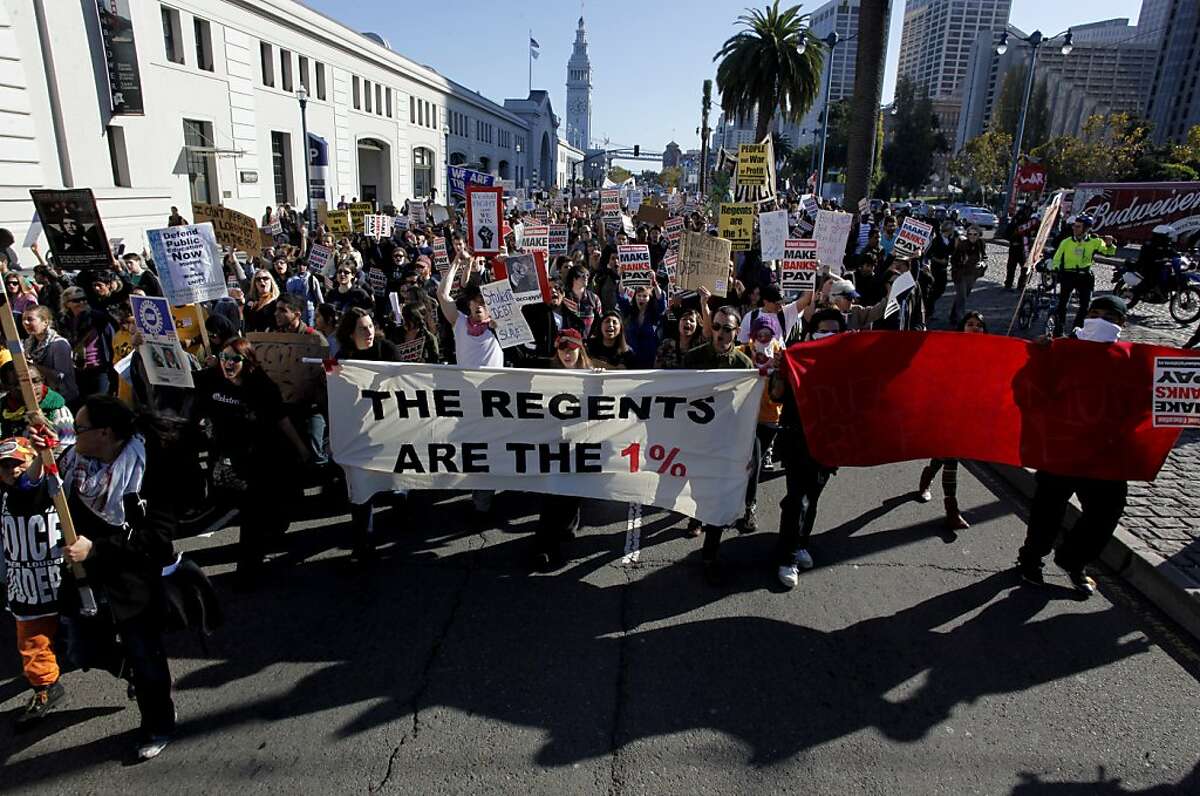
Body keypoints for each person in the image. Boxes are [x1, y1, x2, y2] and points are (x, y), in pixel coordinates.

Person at [60, 395, 178, 760]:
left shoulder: (147, 468)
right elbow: (37, 485)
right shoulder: (73, 462)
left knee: (145, 656)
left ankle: (158, 722)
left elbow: (157, 536)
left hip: (132, 585)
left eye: (79, 428)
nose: (73, 435)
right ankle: (130, 671)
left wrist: (95, 549)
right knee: (81, 649)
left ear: (105, 433)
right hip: (85, 581)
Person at [1016, 295, 1131, 597]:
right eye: (1095, 314)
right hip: (1061, 448)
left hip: (1105, 454)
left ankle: (1073, 559)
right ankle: (1031, 558)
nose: (1101, 321)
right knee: (1048, 509)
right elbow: (1026, 389)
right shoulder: (1059, 350)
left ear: (1122, 324)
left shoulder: (1130, 359)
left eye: (1110, 318)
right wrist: (1037, 357)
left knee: (1106, 511)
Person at [192, 338, 311, 583]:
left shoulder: (262, 387)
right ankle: (270, 532)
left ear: (246, 361)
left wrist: (301, 447)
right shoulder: (212, 381)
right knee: (244, 510)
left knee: (251, 515)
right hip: (224, 459)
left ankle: (247, 571)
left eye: (234, 359)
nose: (228, 363)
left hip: (257, 458)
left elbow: (281, 418)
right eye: (224, 358)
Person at [768, 308, 844, 587]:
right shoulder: (796, 358)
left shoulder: (846, 364)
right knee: (797, 498)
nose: (828, 335)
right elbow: (776, 395)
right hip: (797, 440)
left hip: (828, 443)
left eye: (834, 332)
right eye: (823, 331)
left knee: (812, 496)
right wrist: (780, 370)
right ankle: (787, 558)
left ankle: (801, 543)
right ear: (811, 334)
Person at [682, 306, 757, 584]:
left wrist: (746, 450)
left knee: (718, 497)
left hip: (726, 443)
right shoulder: (693, 358)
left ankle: (710, 555)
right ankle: (695, 516)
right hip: (697, 438)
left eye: (727, 328)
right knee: (697, 489)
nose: (720, 333)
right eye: (716, 326)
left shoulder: (744, 365)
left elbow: (748, 411)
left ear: (736, 332)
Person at [1, 434, 66, 724]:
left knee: (88, 641)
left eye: (18, 463)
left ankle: (131, 671)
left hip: (62, 580)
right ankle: (45, 687)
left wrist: (41, 455)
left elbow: (29, 483)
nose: (12, 470)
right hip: (25, 587)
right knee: (32, 644)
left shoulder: (51, 486)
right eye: (5, 466)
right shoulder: (4, 494)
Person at [334, 308, 402, 559]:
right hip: (360, 432)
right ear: (350, 334)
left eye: (371, 326)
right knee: (362, 487)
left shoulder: (388, 350)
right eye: (363, 329)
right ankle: (363, 543)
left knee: (396, 486)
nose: (369, 332)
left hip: (390, 428)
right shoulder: (344, 358)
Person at [437, 259, 502, 513]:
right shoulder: (460, 323)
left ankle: (482, 501)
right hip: (466, 398)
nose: (479, 305)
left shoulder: (501, 328)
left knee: (488, 448)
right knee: (470, 446)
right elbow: (442, 294)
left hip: (493, 400)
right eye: (475, 301)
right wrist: (456, 262)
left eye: (484, 302)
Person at [915, 311, 987, 530]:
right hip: (946, 411)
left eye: (979, 325)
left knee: (945, 454)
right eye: (970, 324)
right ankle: (952, 510)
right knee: (951, 457)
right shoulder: (951, 347)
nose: (974, 328)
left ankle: (927, 476)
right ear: (962, 327)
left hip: (969, 413)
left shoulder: (990, 352)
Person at [531, 329, 591, 571]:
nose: (567, 354)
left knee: (571, 494)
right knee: (552, 495)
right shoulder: (547, 374)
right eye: (562, 350)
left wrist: (601, 381)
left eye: (571, 349)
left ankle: (566, 529)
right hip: (554, 445)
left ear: (580, 349)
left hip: (580, 445)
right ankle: (545, 547)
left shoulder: (592, 374)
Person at [1050, 215, 1117, 336]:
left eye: (1078, 226)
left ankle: (1076, 332)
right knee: (1062, 304)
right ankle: (1058, 331)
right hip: (1068, 275)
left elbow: (1108, 253)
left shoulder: (1095, 242)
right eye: (1074, 226)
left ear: (1086, 229)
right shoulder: (1066, 242)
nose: (1074, 228)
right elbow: (1057, 258)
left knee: (1085, 306)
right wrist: (1055, 268)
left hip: (1085, 276)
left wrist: (1109, 244)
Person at [59, 286, 116, 404]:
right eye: (76, 300)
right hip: (78, 370)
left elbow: (112, 340)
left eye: (84, 299)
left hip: (99, 369)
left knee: (101, 403)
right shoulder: (64, 322)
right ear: (67, 304)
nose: (82, 302)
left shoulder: (98, 318)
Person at [0, 362, 75, 447]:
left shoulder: (59, 413)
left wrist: (52, 444)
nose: (32, 388)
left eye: (36, 381)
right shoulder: (3, 408)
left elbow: (68, 449)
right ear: (5, 387)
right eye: (21, 384)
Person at [22, 305, 78, 404]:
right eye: (24, 319)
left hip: (62, 398)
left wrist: (33, 366)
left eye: (30, 319)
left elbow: (60, 376)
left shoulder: (59, 344)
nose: (25, 322)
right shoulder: (28, 344)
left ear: (45, 323)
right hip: (42, 397)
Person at [618, 281, 667, 368]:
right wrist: (623, 278)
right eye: (639, 295)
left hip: (649, 358)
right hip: (631, 358)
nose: (641, 298)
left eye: (645, 296)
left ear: (649, 298)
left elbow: (661, 301)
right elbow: (621, 295)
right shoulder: (629, 312)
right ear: (635, 297)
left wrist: (655, 284)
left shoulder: (655, 314)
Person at [949, 225, 987, 327]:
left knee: (963, 296)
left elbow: (984, 257)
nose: (972, 236)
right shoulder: (963, 244)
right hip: (959, 274)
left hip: (972, 274)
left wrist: (982, 263)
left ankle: (953, 316)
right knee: (962, 298)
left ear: (979, 235)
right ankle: (960, 322)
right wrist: (961, 263)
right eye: (970, 234)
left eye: (975, 234)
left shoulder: (981, 243)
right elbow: (953, 259)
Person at [924, 220, 958, 319]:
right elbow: (928, 254)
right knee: (934, 290)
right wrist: (939, 260)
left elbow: (952, 252)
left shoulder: (951, 240)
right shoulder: (937, 239)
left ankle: (929, 307)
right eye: (952, 228)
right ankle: (928, 311)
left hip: (944, 268)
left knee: (941, 289)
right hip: (935, 268)